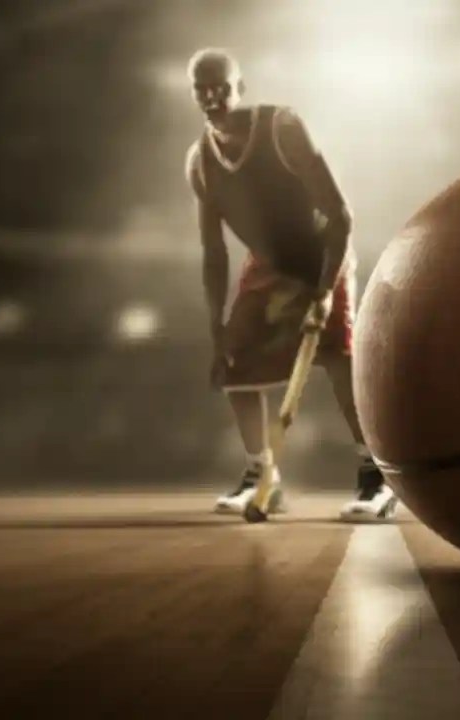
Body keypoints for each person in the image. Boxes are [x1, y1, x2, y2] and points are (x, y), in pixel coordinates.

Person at [183, 48, 397, 522]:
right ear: (193, 93)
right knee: (233, 358)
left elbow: (341, 216)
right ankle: (263, 476)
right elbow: (214, 251)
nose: (212, 95)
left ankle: (375, 475)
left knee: (338, 354)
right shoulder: (200, 161)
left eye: (221, 85)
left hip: (323, 251)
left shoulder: (282, 129)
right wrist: (215, 324)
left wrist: (323, 293)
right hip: (269, 266)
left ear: (239, 86)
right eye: (202, 87)